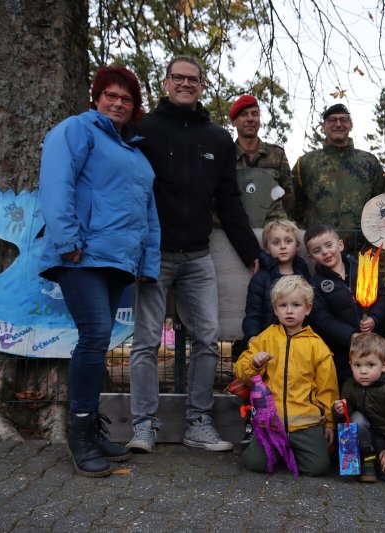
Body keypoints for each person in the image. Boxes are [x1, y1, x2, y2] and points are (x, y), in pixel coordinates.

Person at [127, 56, 261, 454]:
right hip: (153, 254)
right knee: (146, 342)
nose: (186, 84)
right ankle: (143, 424)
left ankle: (198, 422)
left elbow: (229, 201)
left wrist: (252, 254)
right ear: (166, 82)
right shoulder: (142, 131)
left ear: (203, 86)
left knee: (207, 338)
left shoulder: (218, 139)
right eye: (178, 78)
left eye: (194, 79)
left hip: (198, 256)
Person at [38, 65, 160, 478]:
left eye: (126, 99)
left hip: (118, 260)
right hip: (81, 255)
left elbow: (149, 213)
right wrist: (67, 239)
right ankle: (80, 436)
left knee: (99, 338)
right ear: (96, 98)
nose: (118, 103)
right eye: (110, 95)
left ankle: (90, 427)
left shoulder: (137, 156)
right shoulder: (76, 130)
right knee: (93, 337)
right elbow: (57, 182)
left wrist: (148, 261)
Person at [234, 275, 338, 476]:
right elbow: (241, 370)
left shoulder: (317, 346)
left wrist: (330, 423)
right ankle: (276, 448)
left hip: (305, 424)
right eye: (283, 305)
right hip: (271, 423)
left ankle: (288, 451)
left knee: (318, 468)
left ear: (308, 308)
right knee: (255, 463)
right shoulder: (266, 338)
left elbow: (328, 389)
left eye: (296, 305)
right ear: (275, 309)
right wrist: (254, 364)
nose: (289, 311)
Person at [304, 223, 385, 386]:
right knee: (349, 390)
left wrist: (374, 319)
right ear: (312, 258)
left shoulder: (364, 269)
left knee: (379, 388)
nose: (325, 252)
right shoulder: (315, 284)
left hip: (375, 345)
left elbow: (382, 296)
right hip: (344, 352)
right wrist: (350, 336)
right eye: (317, 250)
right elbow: (322, 319)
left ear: (340, 245)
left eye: (329, 245)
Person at [291, 104, 384, 249]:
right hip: (319, 251)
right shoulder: (305, 163)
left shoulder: (369, 162)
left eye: (343, 120)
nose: (338, 124)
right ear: (323, 126)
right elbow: (294, 207)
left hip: (361, 250)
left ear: (351, 125)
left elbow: (380, 202)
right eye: (332, 120)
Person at [333, 333, 385, 483]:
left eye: (370, 365)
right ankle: (368, 459)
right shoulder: (350, 385)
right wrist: (339, 411)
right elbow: (345, 422)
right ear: (350, 364)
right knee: (356, 419)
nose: (363, 371)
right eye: (357, 365)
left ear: (384, 366)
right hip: (367, 440)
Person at [241, 219, 310, 344]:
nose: (283, 246)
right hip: (269, 341)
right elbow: (253, 313)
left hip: (300, 341)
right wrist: (252, 336)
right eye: (276, 242)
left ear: (297, 246)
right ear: (267, 248)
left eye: (288, 241)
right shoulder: (261, 279)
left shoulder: (303, 275)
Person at [229, 94, 293, 223]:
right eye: (243, 114)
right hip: (235, 230)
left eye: (255, 114)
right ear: (233, 121)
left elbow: (289, 196)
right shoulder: (225, 155)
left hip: (272, 232)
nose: (250, 118)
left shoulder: (277, 154)